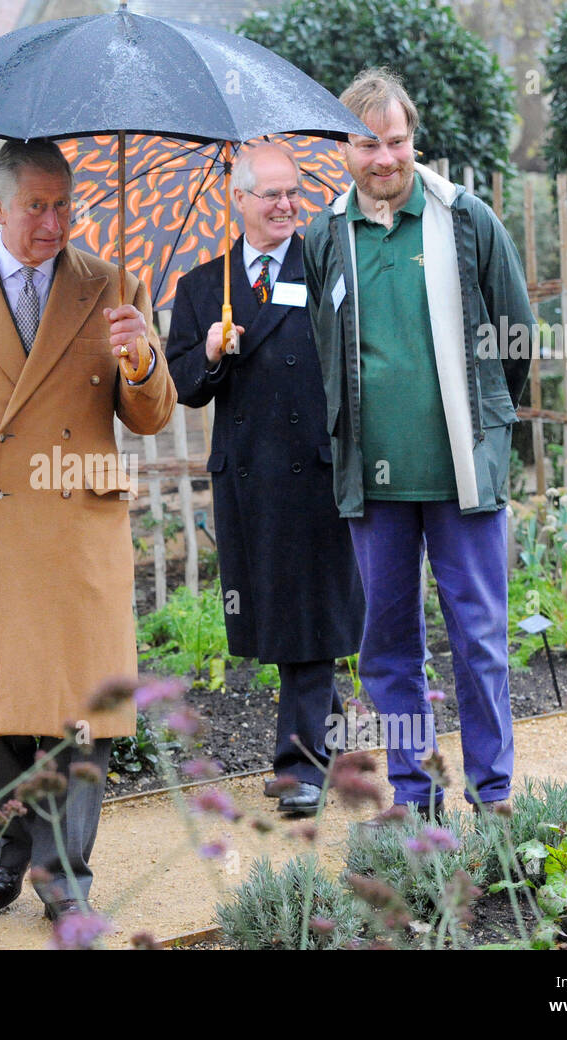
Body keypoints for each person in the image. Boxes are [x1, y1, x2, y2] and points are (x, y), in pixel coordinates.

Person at [0, 139, 177, 922]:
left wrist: (141, 359)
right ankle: (15, 846)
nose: (55, 222)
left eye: (65, 204)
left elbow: (150, 416)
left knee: (77, 712)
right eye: (37, 206)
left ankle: (65, 885)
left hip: (75, 526)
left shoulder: (111, 286)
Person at [302, 68, 533, 816]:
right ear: (345, 149)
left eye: (395, 142)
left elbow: (516, 336)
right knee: (387, 648)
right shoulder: (324, 236)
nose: (383, 159)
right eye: (367, 144)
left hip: (462, 475)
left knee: (480, 640)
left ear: (413, 141)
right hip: (375, 484)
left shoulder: (466, 220)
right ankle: (415, 795)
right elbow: (326, 351)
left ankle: (493, 795)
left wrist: (487, 428)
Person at [165, 142, 363, 817]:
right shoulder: (201, 288)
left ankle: (299, 769)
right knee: (281, 618)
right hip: (248, 481)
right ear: (239, 199)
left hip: (316, 471)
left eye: (293, 193)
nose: (286, 205)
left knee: (309, 617)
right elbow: (181, 386)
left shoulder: (330, 268)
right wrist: (212, 353)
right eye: (271, 194)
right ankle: (330, 739)